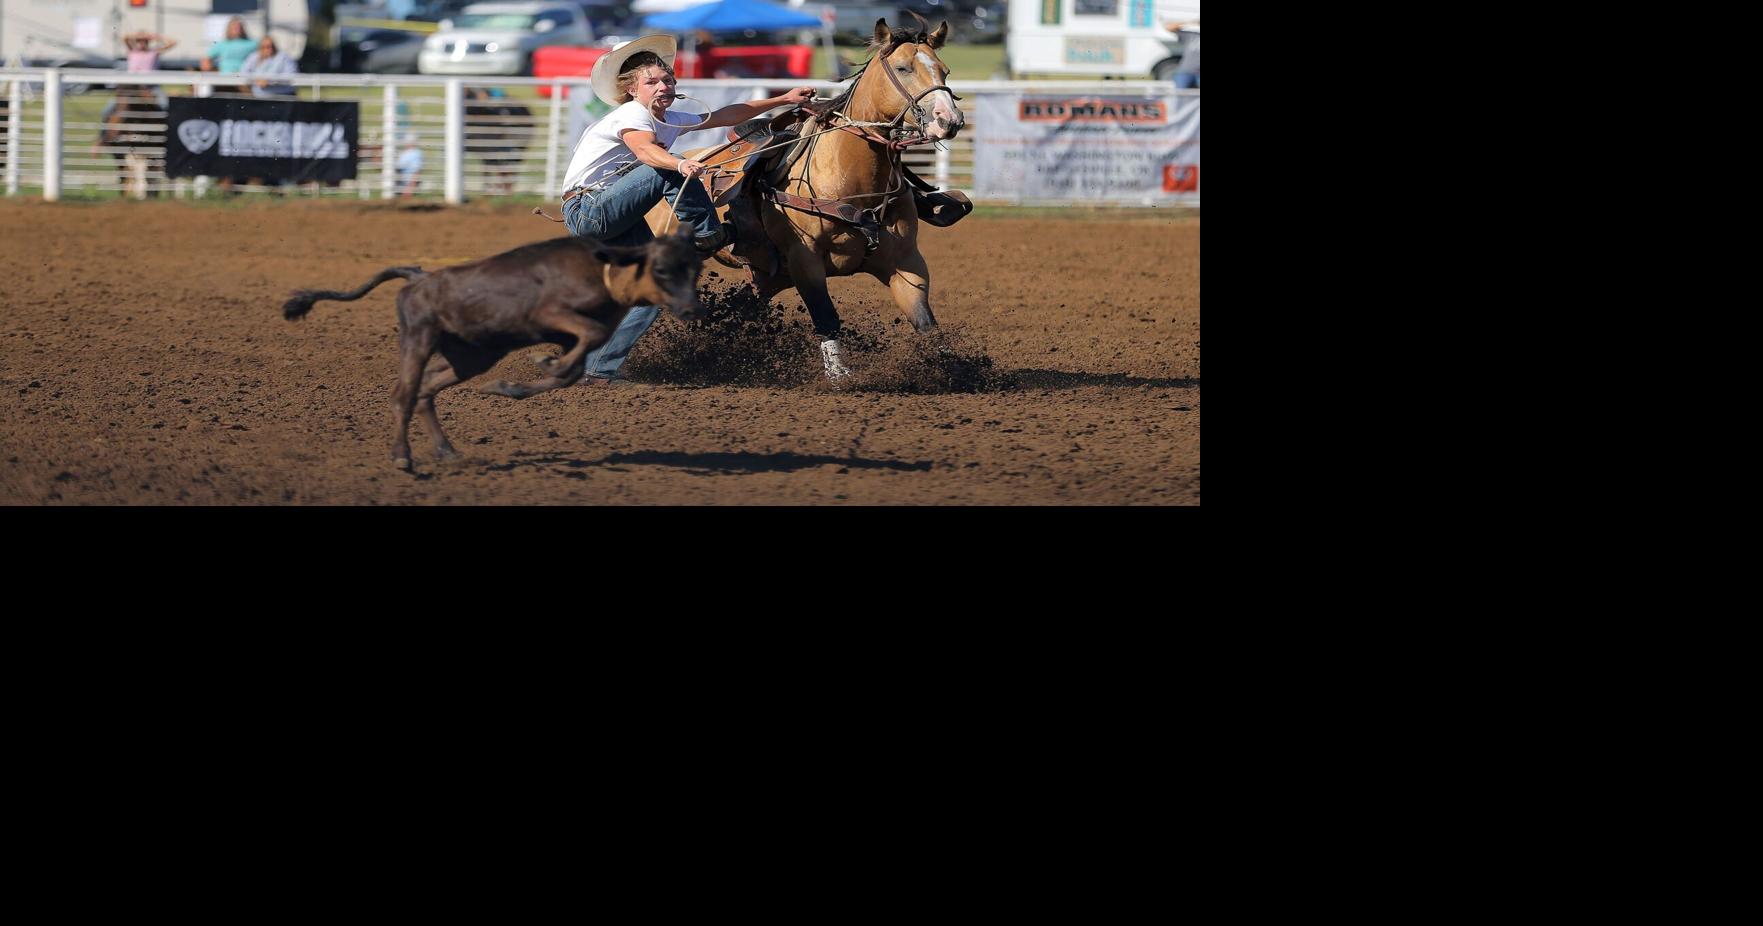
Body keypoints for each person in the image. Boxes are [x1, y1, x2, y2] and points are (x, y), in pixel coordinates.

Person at [557, 34, 814, 385]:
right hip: (590, 210)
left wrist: (783, 98)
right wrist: (678, 165)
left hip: (613, 215)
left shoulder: (669, 116)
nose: (664, 85)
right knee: (666, 165)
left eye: (668, 80)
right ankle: (710, 236)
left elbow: (728, 115)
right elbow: (646, 152)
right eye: (653, 82)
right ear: (632, 90)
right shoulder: (632, 114)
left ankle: (596, 370)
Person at [201, 17, 257, 95]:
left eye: (239, 27)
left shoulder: (253, 43)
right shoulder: (222, 44)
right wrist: (208, 68)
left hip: (245, 78)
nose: (237, 29)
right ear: (229, 29)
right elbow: (207, 59)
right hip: (225, 79)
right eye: (234, 27)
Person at [1164, 21, 1200, 89]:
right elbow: (1169, 28)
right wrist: (1192, 22)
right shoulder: (1191, 35)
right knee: (1179, 94)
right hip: (1185, 71)